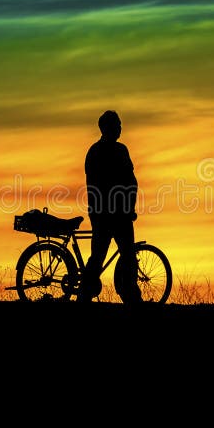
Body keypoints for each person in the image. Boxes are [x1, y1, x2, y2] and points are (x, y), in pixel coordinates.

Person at [78, 110, 142, 304]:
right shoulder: (112, 151)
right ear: (107, 128)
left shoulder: (99, 151)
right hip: (112, 214)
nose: (120, 128)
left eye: (120, 125)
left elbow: (128, 181)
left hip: (107, 213)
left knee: (106, 256)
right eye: (117, 125)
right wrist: (127, 206)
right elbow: (126, 181)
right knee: (124, 256)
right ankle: (131, 298)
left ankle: (85, 295)